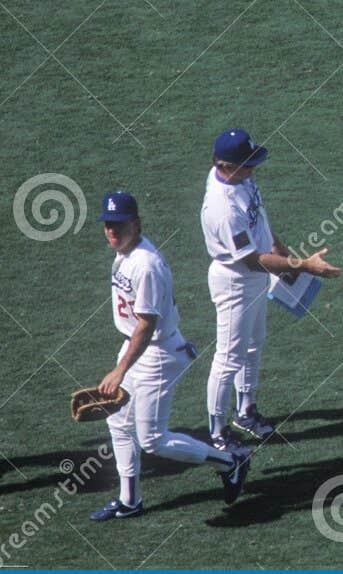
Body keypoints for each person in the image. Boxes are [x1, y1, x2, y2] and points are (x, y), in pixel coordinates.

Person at [90, 192, 251, 520]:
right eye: (108, 225)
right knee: (118, 420)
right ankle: (129, 500)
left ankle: (231, 462)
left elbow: (147, 326)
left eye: (119, 225)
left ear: (135, 224)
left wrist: (121, 369)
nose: (112, 231)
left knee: (152, 439)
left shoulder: (146, 265)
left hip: (157, 352)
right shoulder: (124, 255)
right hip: (137, 346)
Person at [200, 128, 339, 449]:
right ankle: (217, 431)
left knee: (254, 343)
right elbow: (250, 260)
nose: (254, 168)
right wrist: (304, 265)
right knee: (228, 356)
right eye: (247, 163)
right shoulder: (222, 208)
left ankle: (245, 410)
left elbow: (258, 220)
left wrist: (282, 249)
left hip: (258, 271)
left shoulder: (239, 178)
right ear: (226, 165)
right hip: (236, 281)